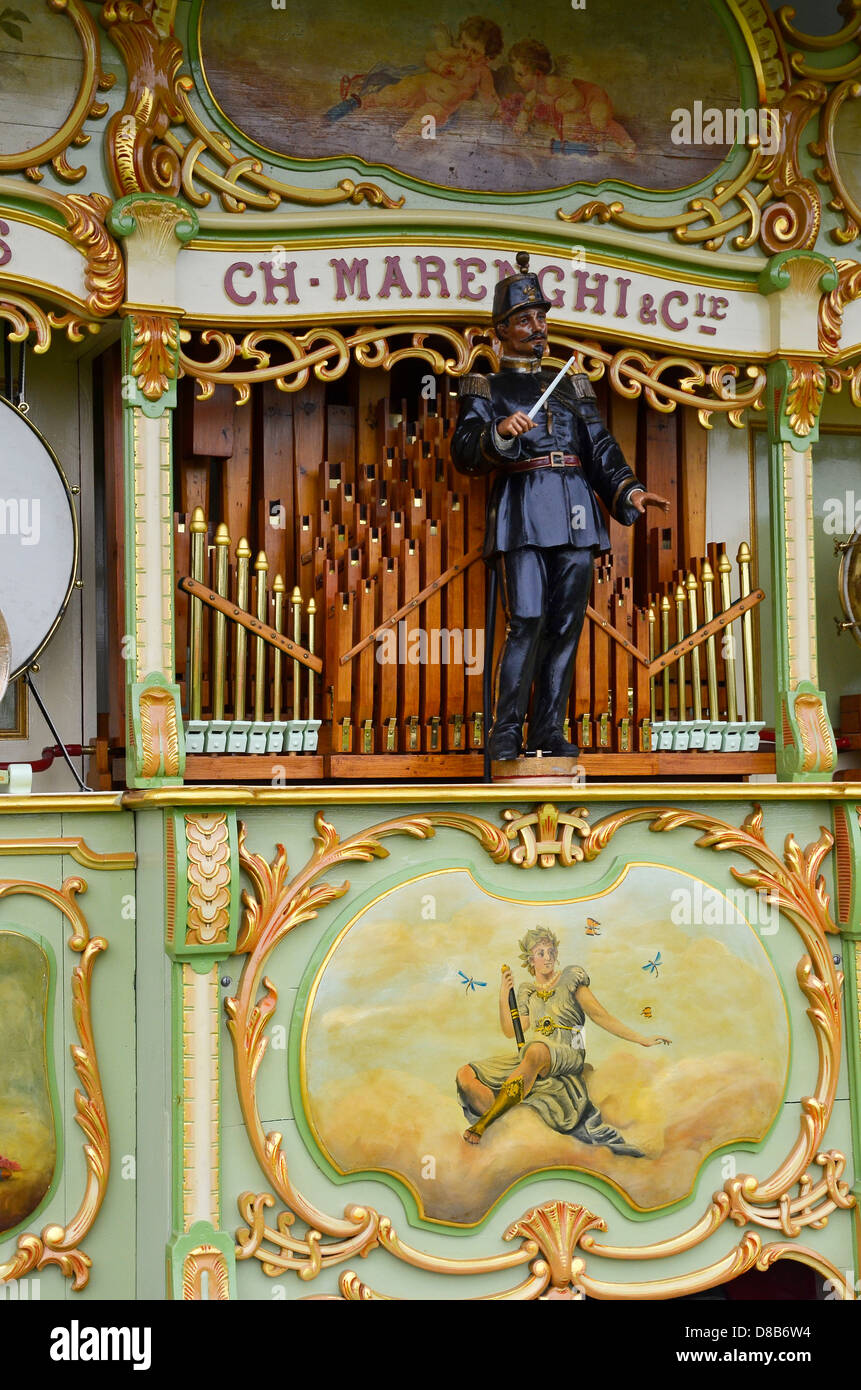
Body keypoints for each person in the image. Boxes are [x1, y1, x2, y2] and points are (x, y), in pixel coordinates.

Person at [451, 252, 669, 761]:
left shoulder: (572, 383)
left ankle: (547, 730)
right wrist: (497, 433)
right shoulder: (486, 385)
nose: (537, 328)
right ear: (501, 331)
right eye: (525, 320)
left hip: (574, 508)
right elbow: (464, 451)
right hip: (523, 508)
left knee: (566, 625)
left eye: (542, 318)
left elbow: (600, 447)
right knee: (525, 618)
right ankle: (505, 730)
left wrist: (629, 489)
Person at [456, 927, 671, 1148]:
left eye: (551, 951)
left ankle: (484, 1124)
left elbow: (600, 1015)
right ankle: (503, 1114)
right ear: (530, 960)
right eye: (541, 953)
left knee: (535, 1051)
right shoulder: (527, 990)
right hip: (535, 1054)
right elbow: (512, 1030)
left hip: (567, 1049)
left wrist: (641, 1039)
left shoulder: (570, 978)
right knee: (466, 1074)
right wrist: (503, 996)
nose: (548, 957)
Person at [504, 38, 636, 156]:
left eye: (520, 74)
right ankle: (595, 148)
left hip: (589, 100)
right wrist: (521, 122)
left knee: (601, 123)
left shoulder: (552, 84)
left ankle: (627, 142)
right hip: (574, 114)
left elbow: (578, 99)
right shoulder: (534, 92)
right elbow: (527, 107)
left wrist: (566, 105)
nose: (516, 79)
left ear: (538, 74)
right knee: (574, 135)